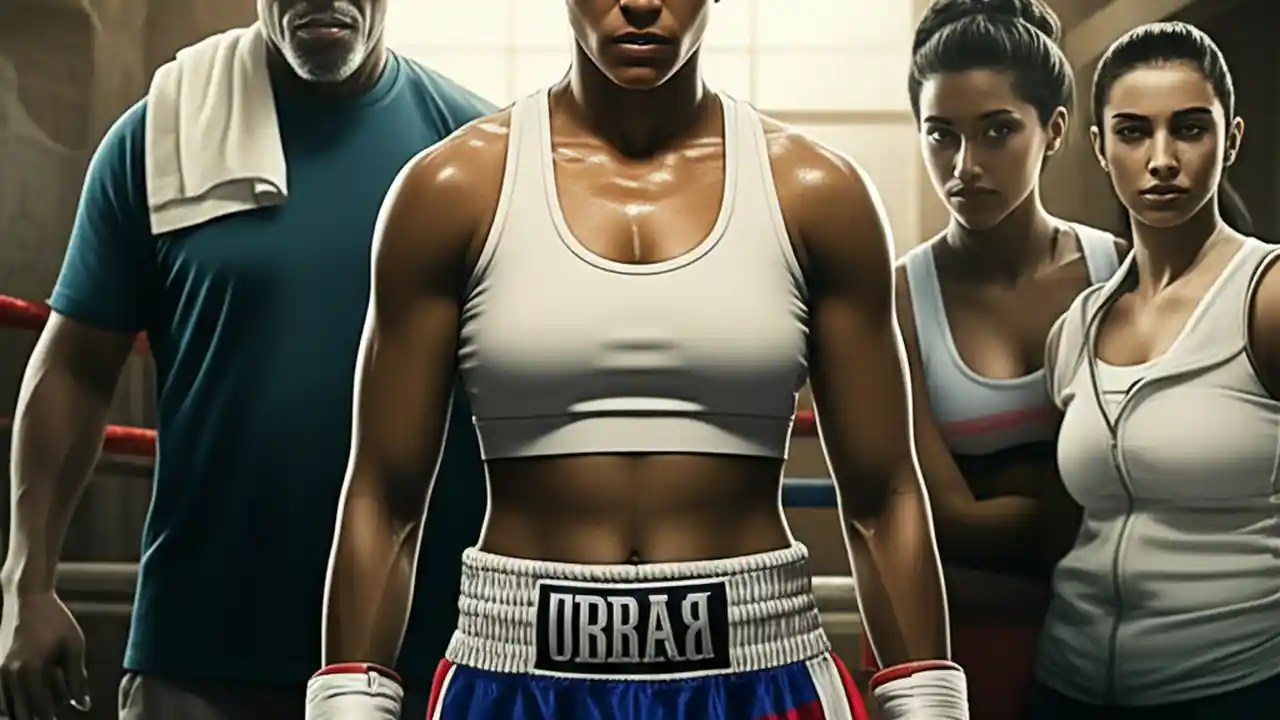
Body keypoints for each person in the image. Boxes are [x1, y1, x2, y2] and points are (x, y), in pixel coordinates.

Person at [303, 1, 972, 719]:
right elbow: (383, 493)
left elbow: (884, 495)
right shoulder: (450, 192)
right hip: (514, 674)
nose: (642, 3)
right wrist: (348, 700)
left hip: (763, 670)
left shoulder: (818, 195)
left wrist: (928, 702)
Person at [0, 2, 494, 719]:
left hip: (425, 662)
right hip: (198, 659)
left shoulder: (472, 149)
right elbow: (74, 367)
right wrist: (26, 584)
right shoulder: (161, 138)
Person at [865, 1, 1127, 716]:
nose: (966, 166)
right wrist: (1070, 505)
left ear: (1058, 130)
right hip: (950, 645)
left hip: (1117, 647)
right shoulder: (895, 299)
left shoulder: (1120, 276)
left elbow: (1146, 502)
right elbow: (937, 517)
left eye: (997, 132)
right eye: (941, 136)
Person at [1035, 21, 1280, 718]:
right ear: (1100, 148)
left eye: (1190, 129)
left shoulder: (1266, 295)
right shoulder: (1077, 326)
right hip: (1066, 685)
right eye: (1134, 131)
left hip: (1236, 686)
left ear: (1230, 139)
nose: (1163, 158)